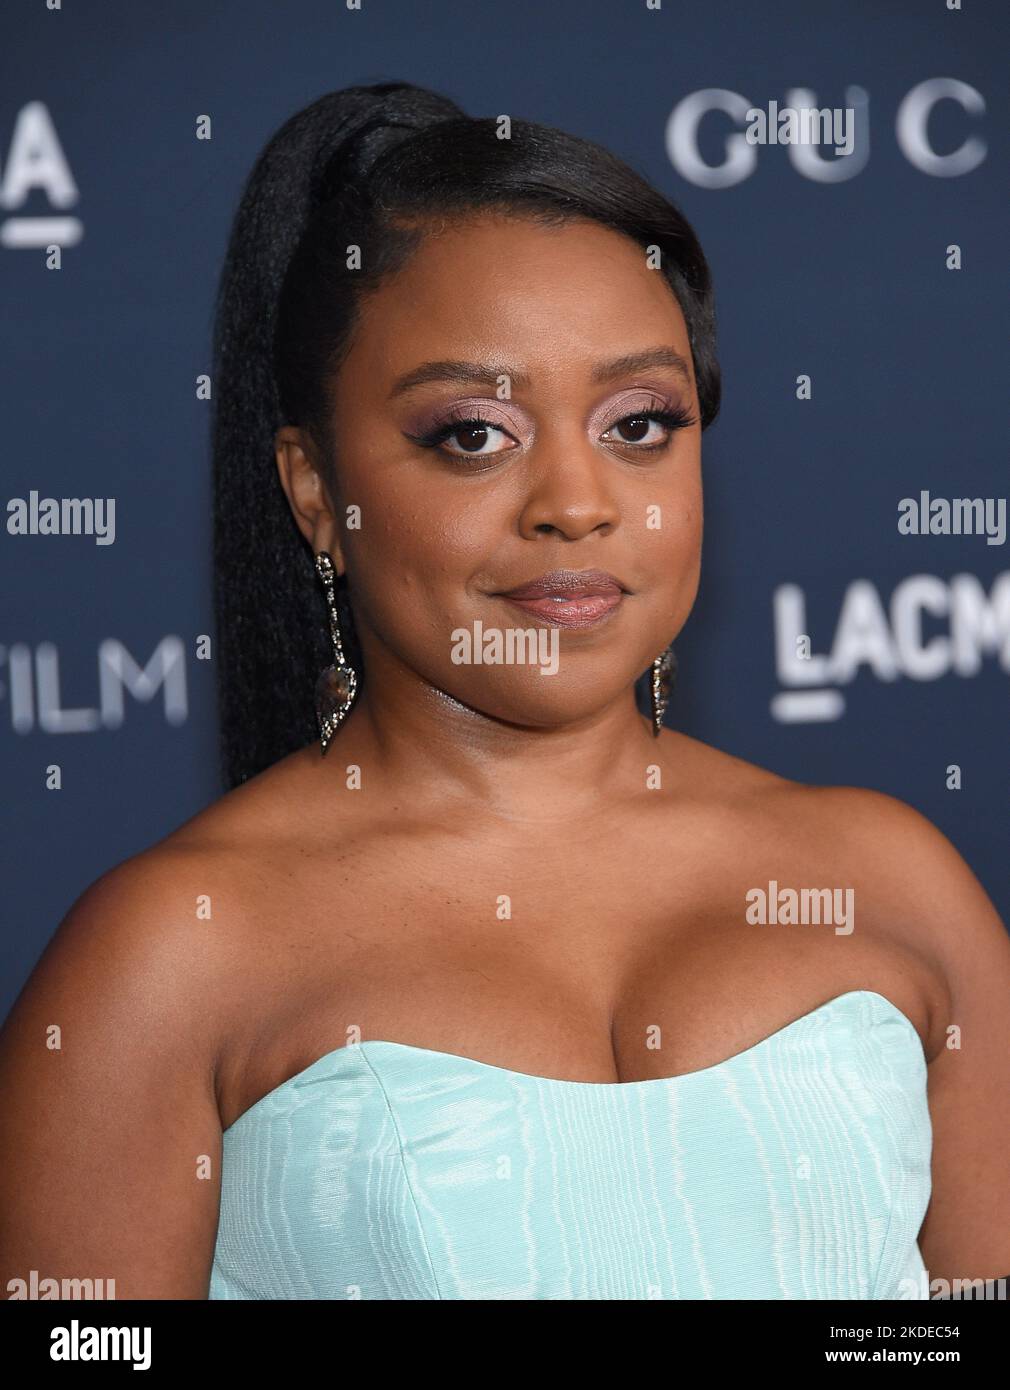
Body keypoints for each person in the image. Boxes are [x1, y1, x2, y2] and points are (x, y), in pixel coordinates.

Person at [1, 82, 1007, 1301]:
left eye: (640, 422)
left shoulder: (892, 882)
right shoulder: (167, 955)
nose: (575, 502)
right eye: (473, 433)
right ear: (315, 490)